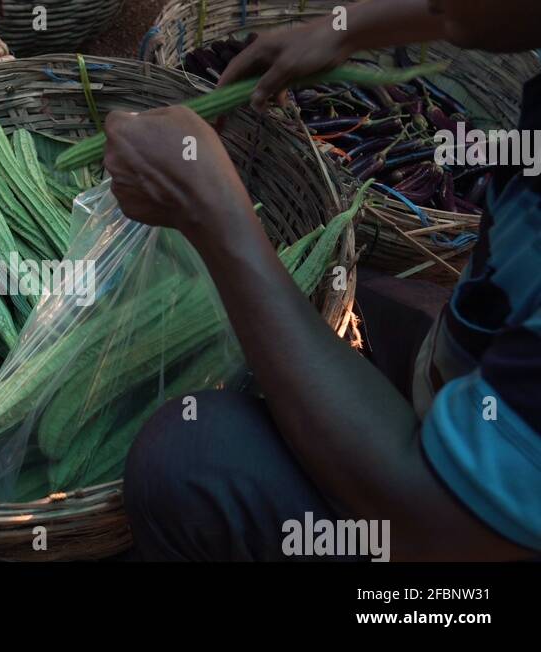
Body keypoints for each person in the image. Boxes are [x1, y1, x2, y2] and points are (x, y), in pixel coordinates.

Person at [110, 0, 540, 561]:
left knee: (190, 458)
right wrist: (345, 29)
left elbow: (444, 529)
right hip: (479, 390)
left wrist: (216, 217)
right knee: (330, 303)